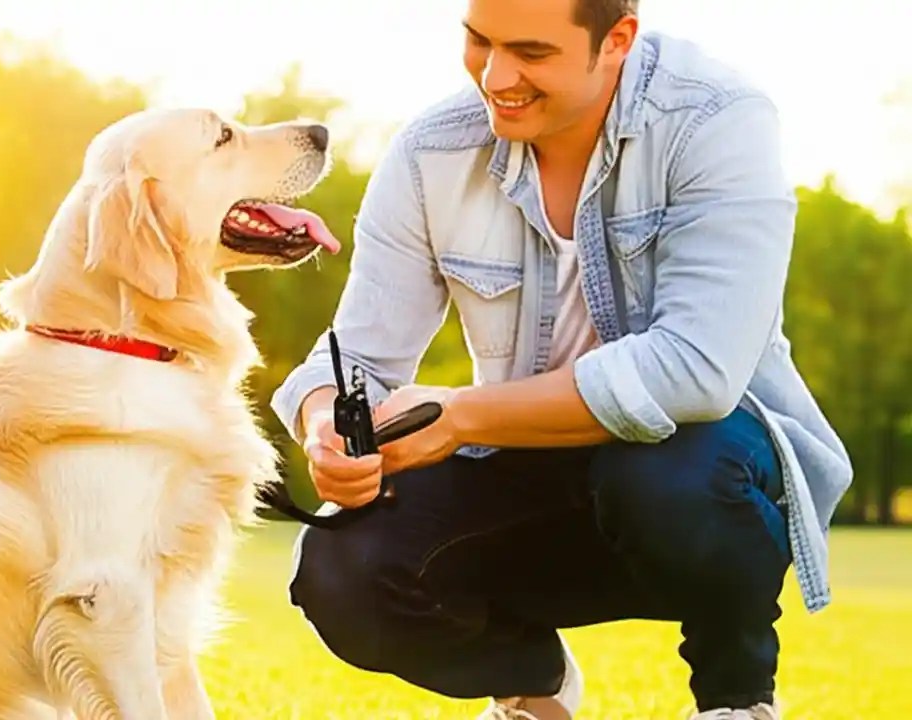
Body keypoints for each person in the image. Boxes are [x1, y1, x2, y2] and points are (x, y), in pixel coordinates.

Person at [269, 0, 853, 718]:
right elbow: (358, 354)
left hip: (700, 474)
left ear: (617, 40)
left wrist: (460, 416)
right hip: (525, 463)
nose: (495, 75)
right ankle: (530, 685)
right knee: (340, 566)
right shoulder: (430, 152)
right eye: (478, 40)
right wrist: (325, 421)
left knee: (665, 472)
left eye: (532, 53)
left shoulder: (717, 119)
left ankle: (735, 697)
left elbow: (697, 371)